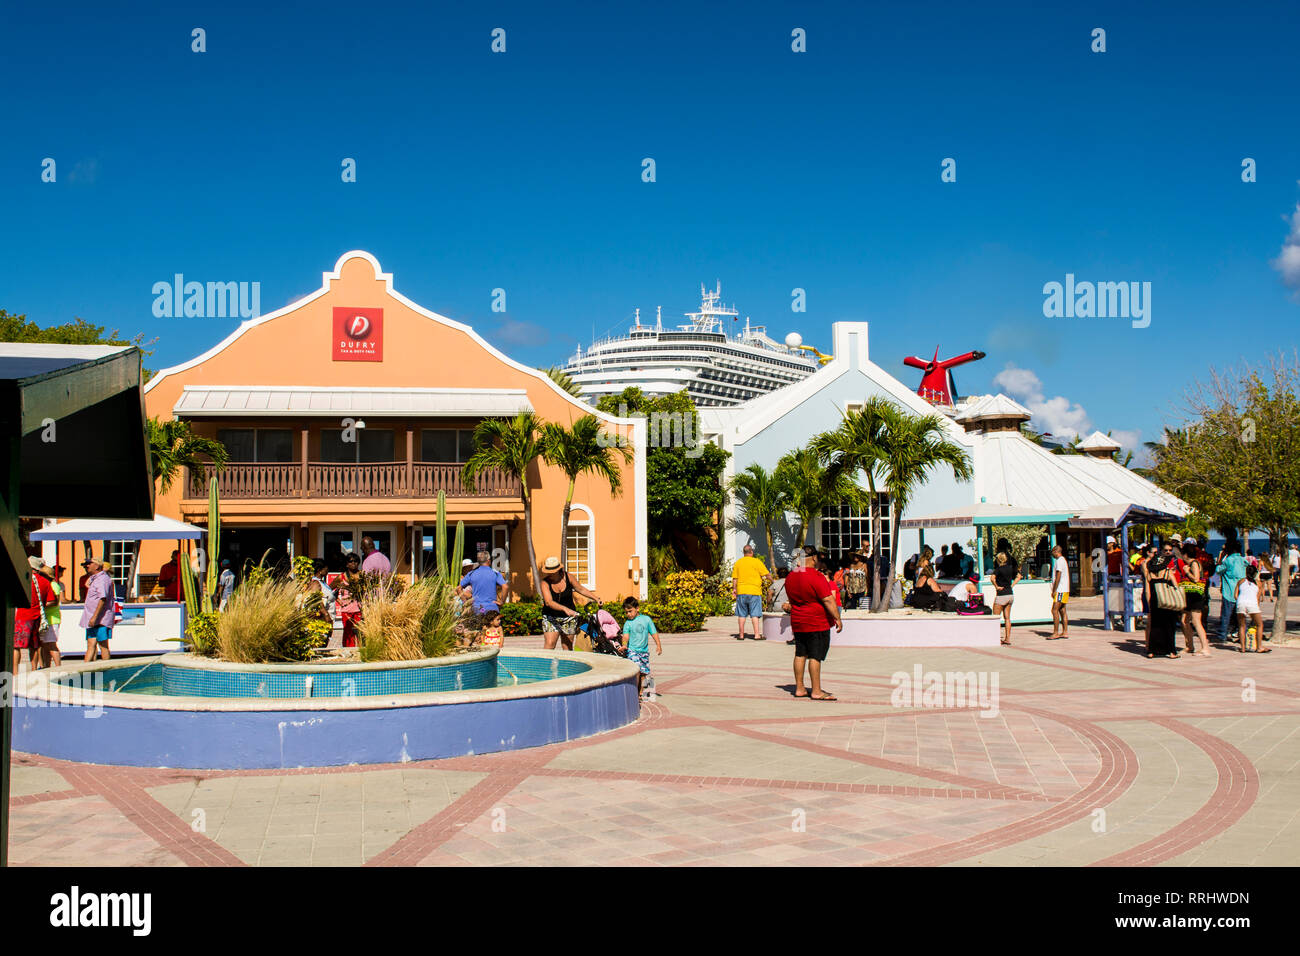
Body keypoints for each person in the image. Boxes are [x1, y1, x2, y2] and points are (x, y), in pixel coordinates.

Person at [785, 552, 843, 700]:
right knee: (815, 656)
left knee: (800, 654)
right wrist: (837, 618)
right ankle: (816, 690)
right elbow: (828, 600)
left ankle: (799, 688)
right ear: (814, 559)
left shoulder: (791, 576)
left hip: (798, 620)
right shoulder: (816, 576)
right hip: (816, 621)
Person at [539, 555, 599, 650]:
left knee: (567, 646)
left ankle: (566, 665)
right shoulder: (545, 583)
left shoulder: (568, 577)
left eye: (551, 572)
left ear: (558, 570)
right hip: (551, 617)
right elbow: (548, 602)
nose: (549, 574)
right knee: (549, 644)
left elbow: (580, 589)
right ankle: (545, 665)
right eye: (548, 572)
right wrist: (565, 609)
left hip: (569, 618)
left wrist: (596, 598)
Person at [1145, 542, 1181, 659]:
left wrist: (1149, 603)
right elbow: (1176, 587)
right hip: (1166, 600)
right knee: (1169, 626)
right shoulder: (1167, 572)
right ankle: (1171, 651)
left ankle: (1152, 651)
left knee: (1155, 625)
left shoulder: (1149, 574)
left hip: (1155, 601)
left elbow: (1147, 591)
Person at [621, 597, 661, 699]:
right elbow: (625, 636)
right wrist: (624, 645)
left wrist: (658, 645)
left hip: (644, 652)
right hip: (632, 651)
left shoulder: (646, 619)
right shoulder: (627, 623)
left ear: (637, 608)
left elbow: (653, 632)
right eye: (626, 612)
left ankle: (640, 692)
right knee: (637, 670)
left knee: (643, 673)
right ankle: (634, 692)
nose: (628, 614)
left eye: (630, 611)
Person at [79, 554, 116, 661]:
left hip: (100, 619)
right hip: (93, 618)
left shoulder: (102, 579)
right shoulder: (95, 578)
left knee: (103, 645)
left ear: (97, 566)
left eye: (89, 564)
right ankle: (86, 672)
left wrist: (95, 617)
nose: (86, 566)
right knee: (91, 644)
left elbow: (102, 599)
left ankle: (106, 671)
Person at [731, 544, 770, 641]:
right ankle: (756, 635)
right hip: (754, 591)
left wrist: (734, 589)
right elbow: (766, 574)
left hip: (741, 591)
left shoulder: (738, 563)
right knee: (755, 614)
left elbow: (735, 578)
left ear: (743, 553)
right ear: (751, 552)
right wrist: (774, 581)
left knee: (741, 614)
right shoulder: (757, 562)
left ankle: (741, 635)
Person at [1180, 551, 1211, 656]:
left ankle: (1205, 648)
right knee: (1184, 620)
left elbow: (1196, 579)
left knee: (1196, 621)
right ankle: (1189, 646)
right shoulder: (1192, 563)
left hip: (1195, 596)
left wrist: (1187, 572)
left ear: (1185, 554)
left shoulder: (1194, 563)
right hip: (1189, 596)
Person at [1216, 542, 1247, 645]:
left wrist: (1221, 558)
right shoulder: (1243, 560)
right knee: (1240, 616)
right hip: (1242, 592)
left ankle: (1222, 635)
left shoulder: (1228, 561)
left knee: (1226, 615)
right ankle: (1241, 634)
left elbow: (1218, 570)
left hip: (1229, 592)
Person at [1235, 565, 1271, 653]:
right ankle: (1259, 647)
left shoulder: (1240, 581)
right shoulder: (1258, 583)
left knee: (1241, 626)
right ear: (1255, 573)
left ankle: (1243, 648)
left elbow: (1235, 595)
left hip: (1241, 603)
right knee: (1259, 625)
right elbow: (1257, 598)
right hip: (1252, 604)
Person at [989, 552, 1019, 645]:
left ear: (998, 560)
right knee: (1007, 618)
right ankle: (1007, 638)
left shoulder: (998, 569)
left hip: (1001, 595)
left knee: (996, 617)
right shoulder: (1010, 568)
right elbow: (1019, 576)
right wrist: (1012, 585)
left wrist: (996, 586)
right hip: (1010, 594)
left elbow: (992, 578)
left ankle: (995, 637)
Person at [1048, 544, 1070, 640]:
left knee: (1054, 610)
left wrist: (1054, 590)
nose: (1052, 554)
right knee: (1062, 610)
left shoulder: (1060, 561)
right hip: (1065, 589)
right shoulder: (1063, 560)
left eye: (1053, 552)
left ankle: (1055, 632)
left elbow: (1058, 576)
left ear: (1056, 551)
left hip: (1060, 589)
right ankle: (1065, 632)